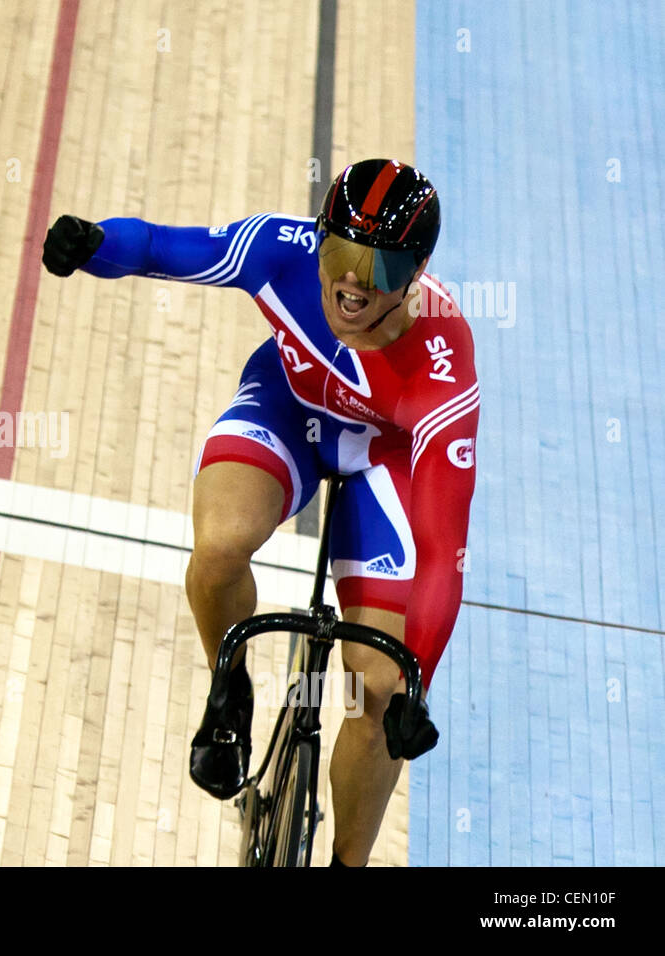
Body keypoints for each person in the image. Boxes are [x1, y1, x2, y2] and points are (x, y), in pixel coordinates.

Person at [42, 159, 478, 867]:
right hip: (290, 410)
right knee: (219, 546)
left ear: (418, 269)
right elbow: (157, 247)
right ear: (318, 238)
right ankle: (231, 685)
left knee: (376, 690)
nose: (351, 281)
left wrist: (415, 680)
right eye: (339, 252)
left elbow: (441, 543)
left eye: (379, 266)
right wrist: (94, 246)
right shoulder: (281, 251)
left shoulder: (443, 366)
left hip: (387, 460)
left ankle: (348, 863)